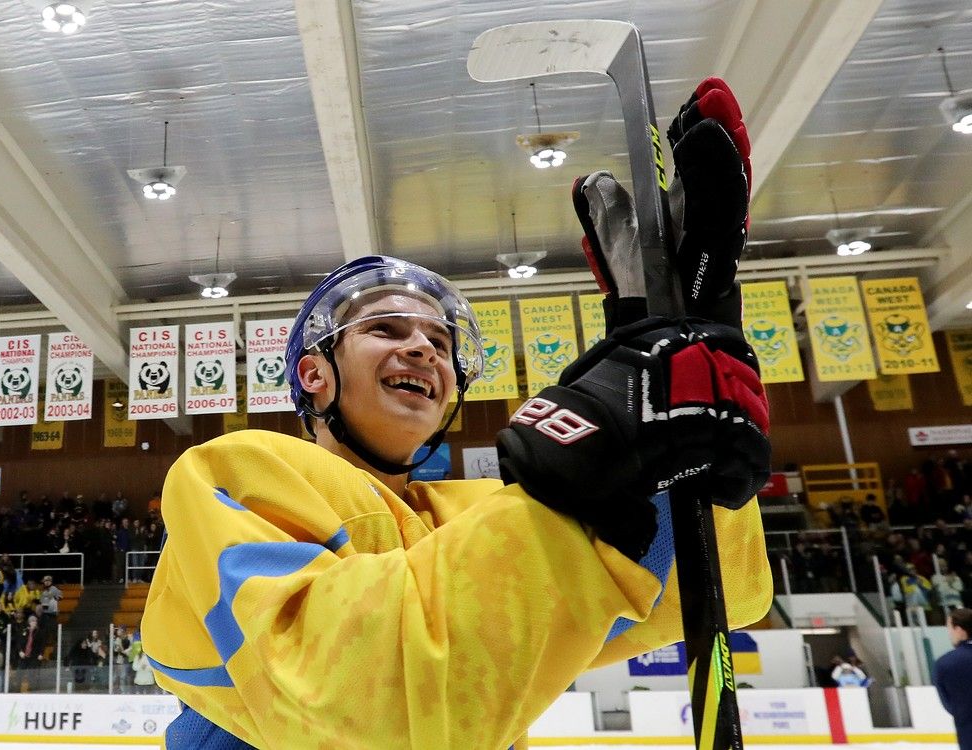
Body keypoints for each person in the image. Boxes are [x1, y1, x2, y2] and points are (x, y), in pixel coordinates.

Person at [142, 78, 772, 748]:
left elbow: (704, 584)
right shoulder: (235, 474)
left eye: (440, 342)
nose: (421, 345)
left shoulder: (471, 513)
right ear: (313, 373)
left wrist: (677, 353)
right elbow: (370, 703)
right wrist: (596, 457)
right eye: (385, 330)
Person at [934, 608, 972, 750]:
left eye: (950, 628)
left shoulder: (945, 663)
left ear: (960, 630)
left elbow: (949, 703)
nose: (949, 633)